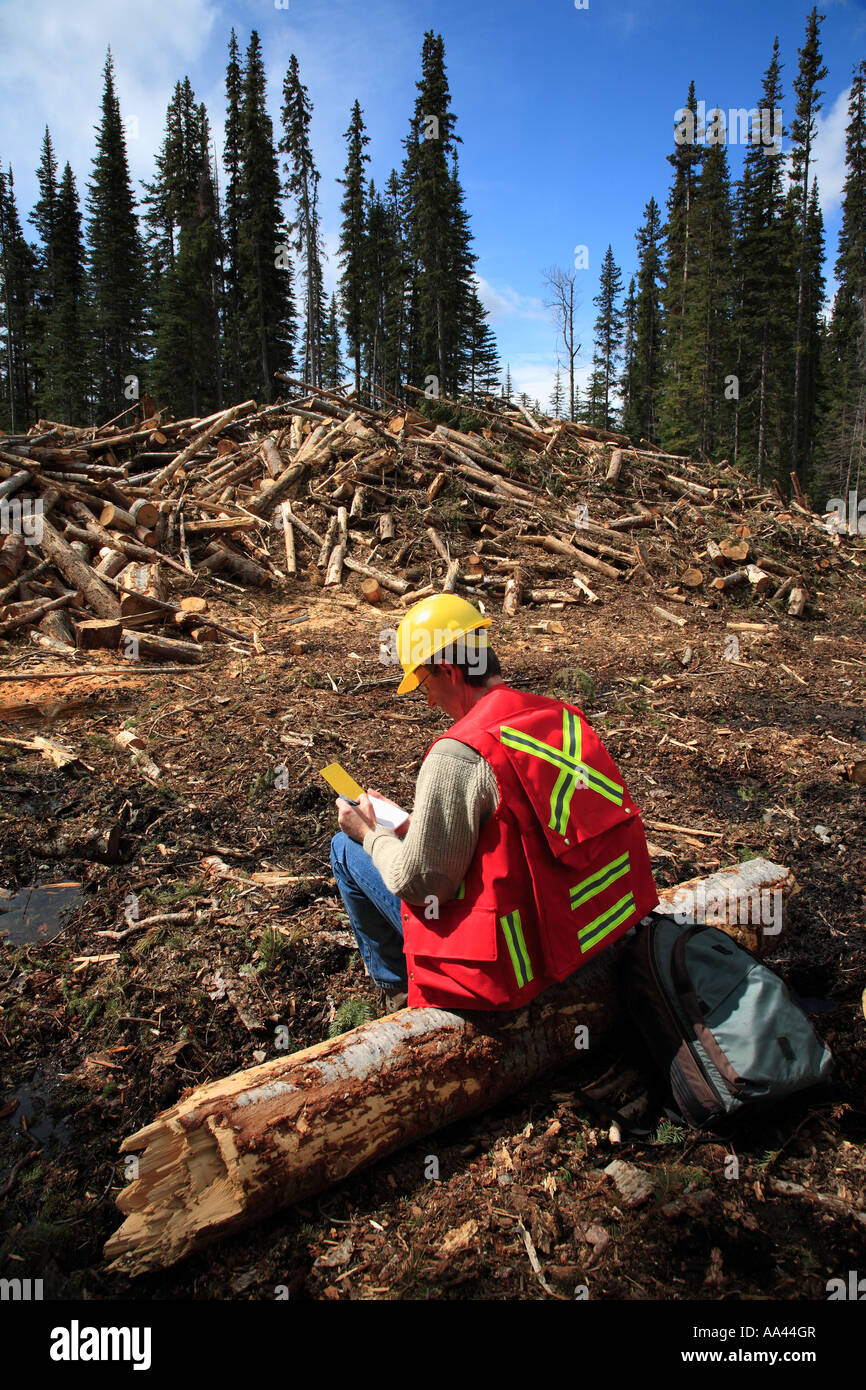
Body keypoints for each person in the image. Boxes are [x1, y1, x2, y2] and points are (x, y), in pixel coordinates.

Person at [329, 593, 658, 1013]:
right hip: (595, 932)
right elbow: (526, 834)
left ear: (447, 670)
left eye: (425, 685)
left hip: (515, 971)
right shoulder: (563, 719)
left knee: (345, 848)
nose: (428, 700)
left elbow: (421, 886)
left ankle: (398, 996)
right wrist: (420, 827)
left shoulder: (456, 754)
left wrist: (371, 833)